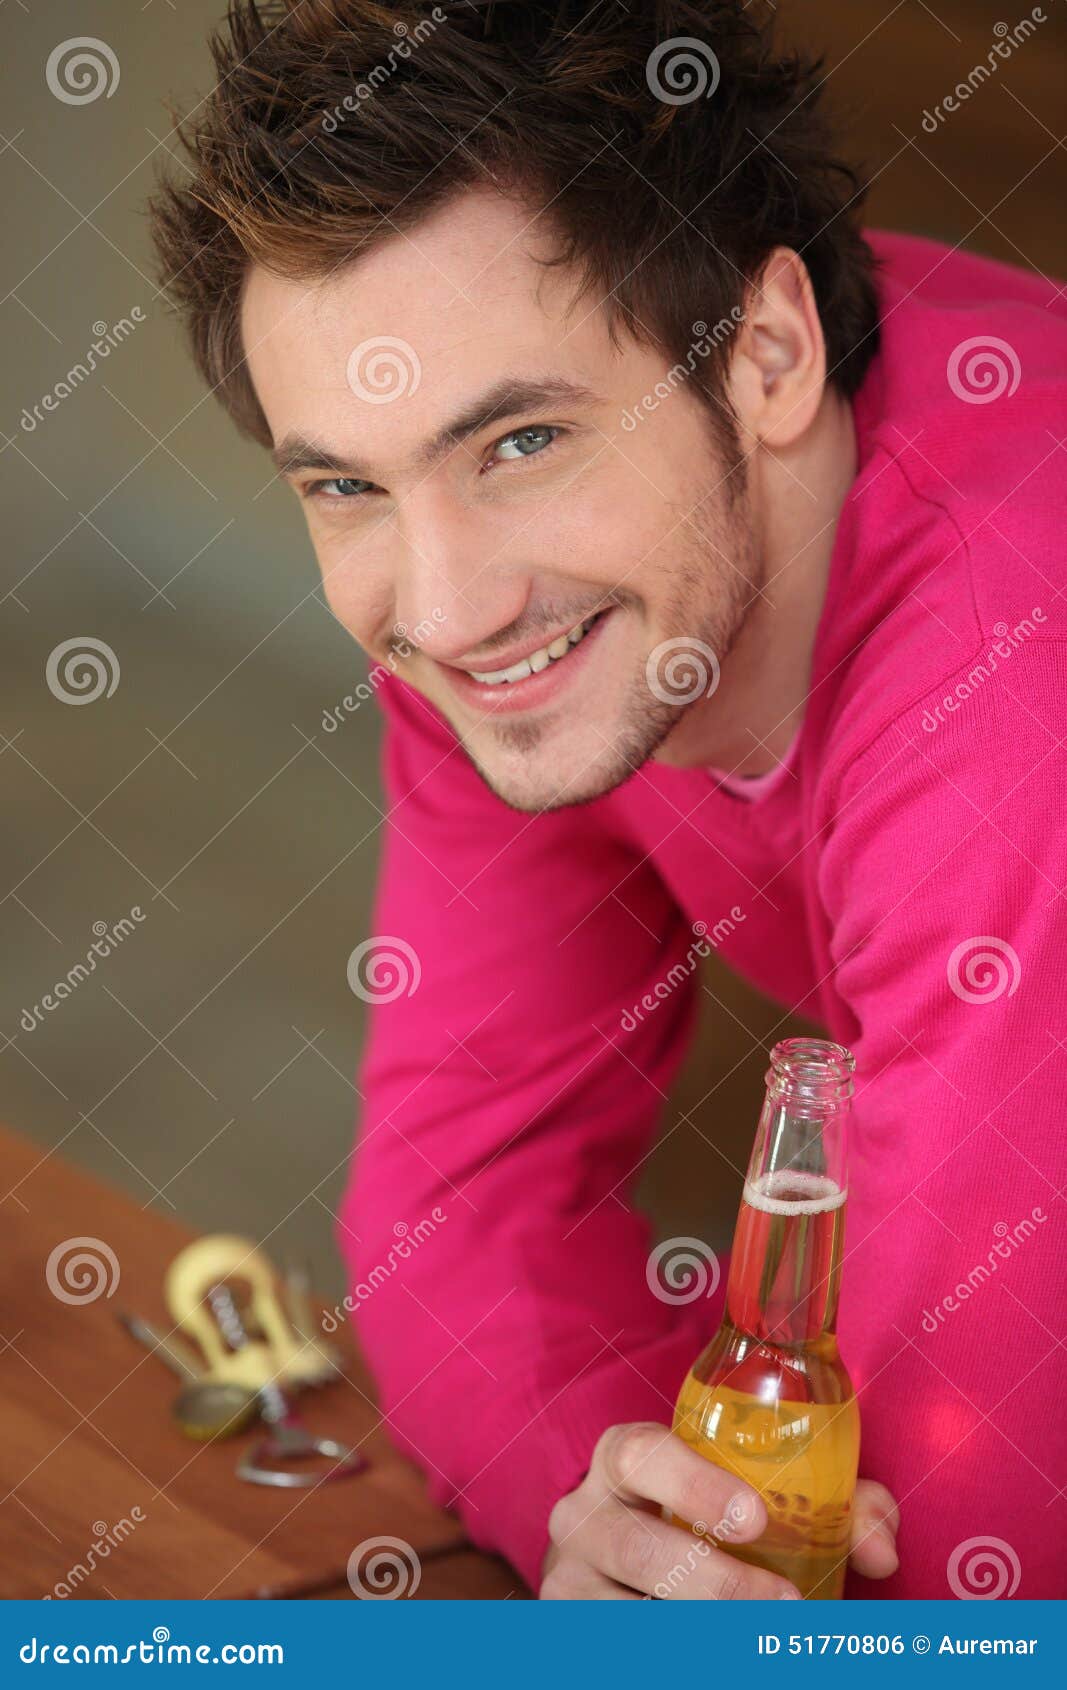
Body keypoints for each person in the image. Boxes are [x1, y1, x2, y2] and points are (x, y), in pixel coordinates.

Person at [149, 0, 1065, 1598]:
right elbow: (456, 1210)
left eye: (519, 440)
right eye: (346, 486)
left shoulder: (1020, 663)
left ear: (767, 353)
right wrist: (607, 1505)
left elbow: (974, 1533)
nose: (440, 609)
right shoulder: (522, 623)